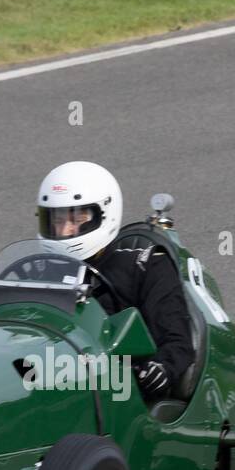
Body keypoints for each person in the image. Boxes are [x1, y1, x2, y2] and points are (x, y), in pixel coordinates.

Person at [35, 161, 194, 403]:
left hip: (119, 390)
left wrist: (161, 369)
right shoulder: (43, 270)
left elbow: (177, 341)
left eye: (77, 218)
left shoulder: (146, 265)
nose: (65, 230)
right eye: (56, 220)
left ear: (104, 213)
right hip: (55, 377)